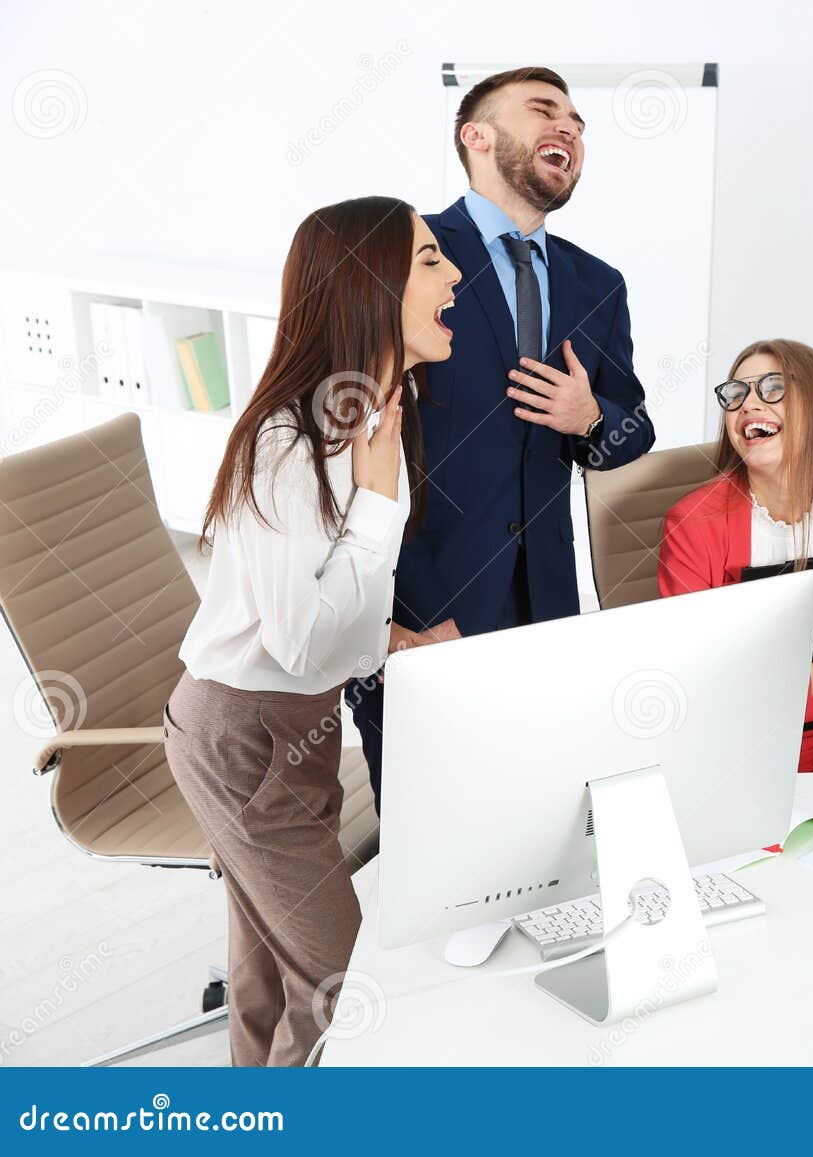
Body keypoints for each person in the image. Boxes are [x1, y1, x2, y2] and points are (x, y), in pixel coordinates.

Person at [166, 196, 459, 1065]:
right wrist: (374, 503)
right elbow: (296, 641)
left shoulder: (375, 412)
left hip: (298, 724)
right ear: (374, 283)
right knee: (347, 987)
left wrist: (393, 643)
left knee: (271, 980)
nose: (454, 276)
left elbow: (327, 610)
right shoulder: (289, 442)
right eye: (434, 260)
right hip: (243, 732)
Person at [347, 66, 655, 808]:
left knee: (541, 815)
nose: (571, 130)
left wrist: (593, 421)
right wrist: (386, 624)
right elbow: (341, 437)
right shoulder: (407, 253)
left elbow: (635, 427)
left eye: (579, 123)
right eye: (546, 110)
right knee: (433, 837)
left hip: (547, 608)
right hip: (426, 611)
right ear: (475, 136)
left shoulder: (597, 282)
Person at [658, 340, 813, 771]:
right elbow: (697, 688)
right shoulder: (691, 524)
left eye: (772, 388)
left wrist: (763, 696)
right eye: (736, 393)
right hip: (727, 753)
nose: (748, 404)